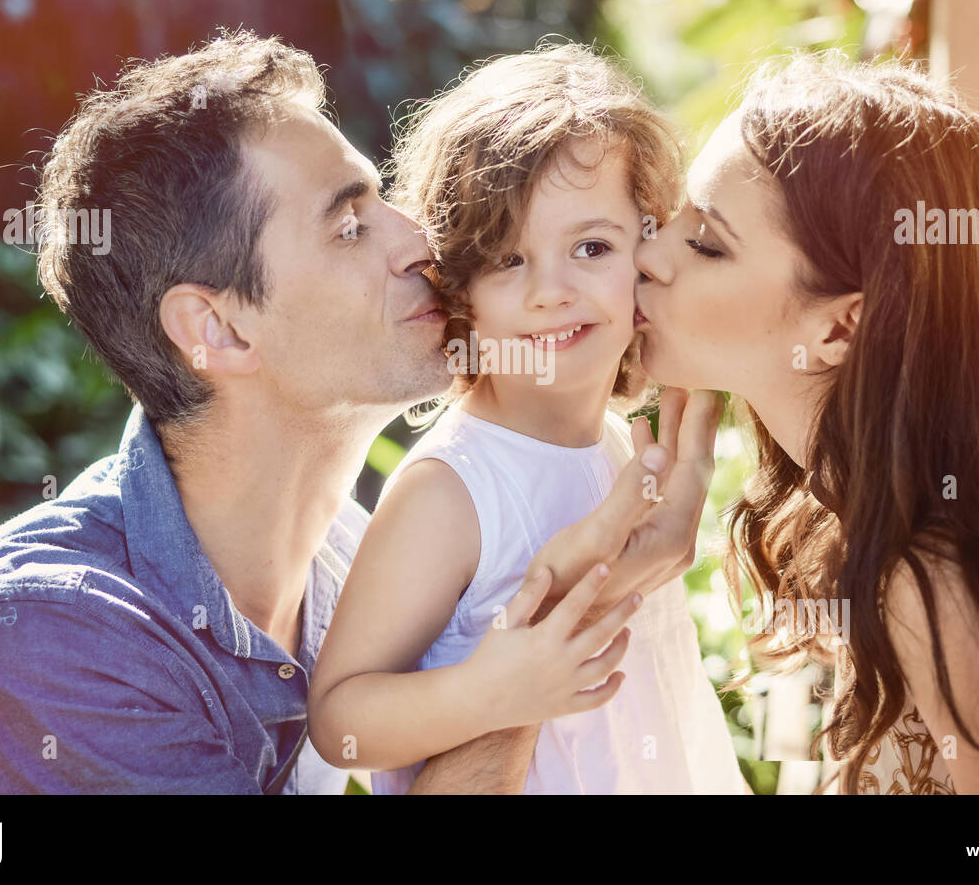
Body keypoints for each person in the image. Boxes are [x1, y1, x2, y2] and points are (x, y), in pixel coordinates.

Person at [0, 30, 716, 794]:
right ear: (218, 329)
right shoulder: (51, 640)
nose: (422, 241)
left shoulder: (352, 567)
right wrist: (590, 595)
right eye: (352, 225)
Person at [634, 51, 979, 794]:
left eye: (708, 243)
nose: (648, 253)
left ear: (843, 329)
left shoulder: (948, 581)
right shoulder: (862, 515)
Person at [307, 44, 745, 793]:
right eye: (510, 259)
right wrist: (489, 692)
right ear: (458, 284)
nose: (552, 290)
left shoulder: (616, 447)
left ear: (648, 249)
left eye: (592, 247)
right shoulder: (452, 491)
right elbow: (342, 718)